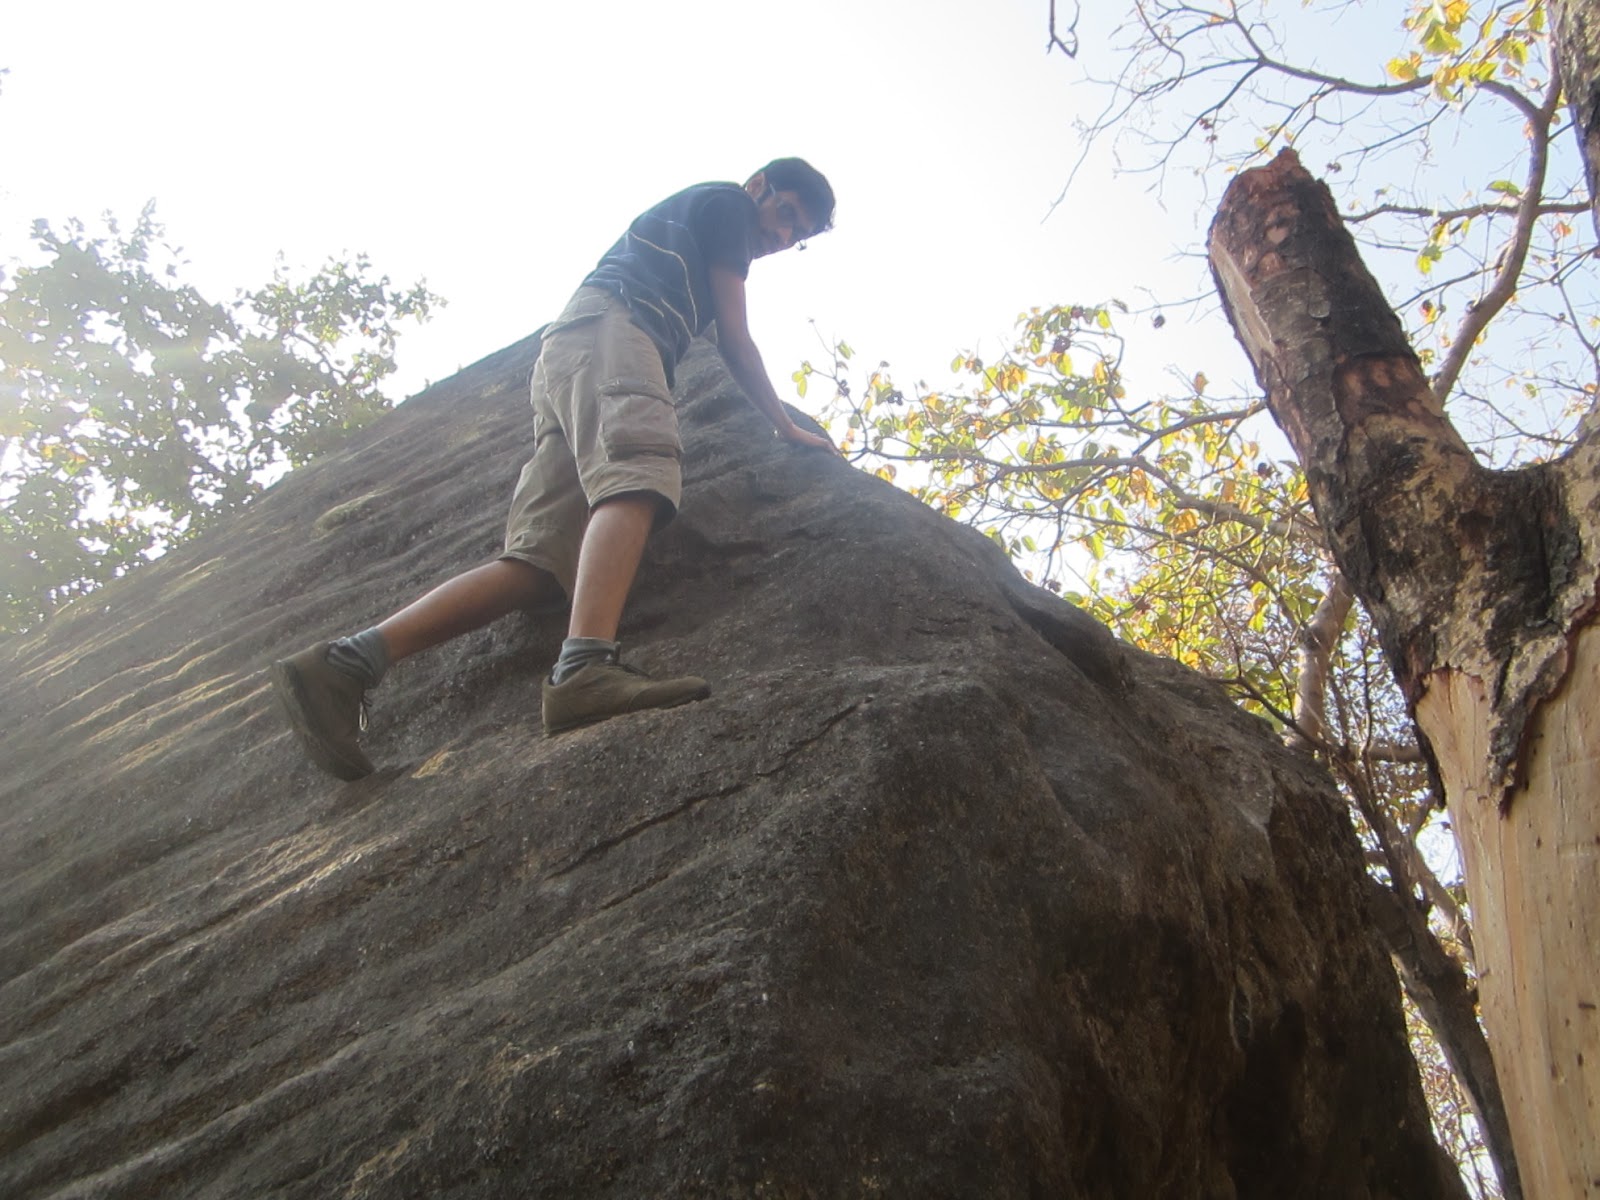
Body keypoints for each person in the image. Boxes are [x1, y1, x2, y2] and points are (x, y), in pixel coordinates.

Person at [271, 159, 837, 781]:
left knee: (542, 563)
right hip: (617, 330)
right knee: (640, 473)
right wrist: (783, 425)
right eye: (786, 215)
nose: (783, 238)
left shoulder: (702, 223)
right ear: (759, 186)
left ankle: (347, 665)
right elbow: (735, 335)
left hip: (575, 348)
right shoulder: (727, 204)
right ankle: (584, 669)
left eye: (798, 236)